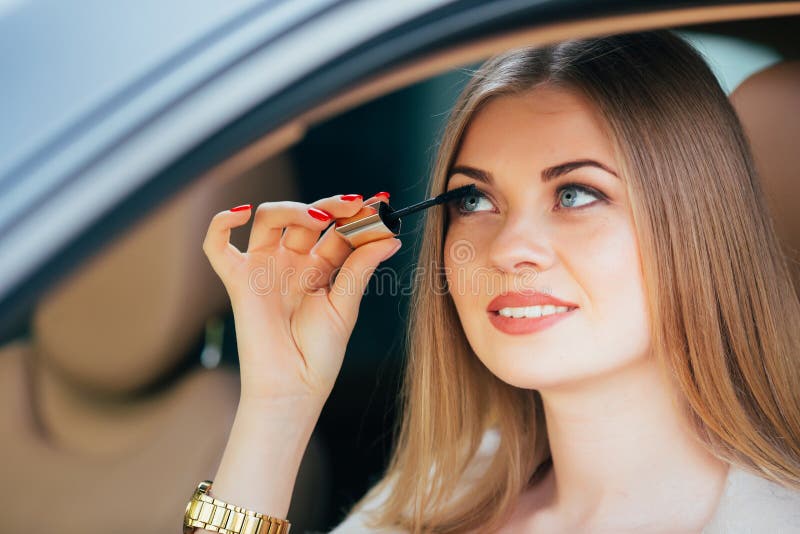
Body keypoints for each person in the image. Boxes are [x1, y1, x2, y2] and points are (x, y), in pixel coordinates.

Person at [196, 30, 800, 533]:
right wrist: (277, 406)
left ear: (697, 225)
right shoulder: (431, 499)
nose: (508, 249)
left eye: (575, 193)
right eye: (474, 199)